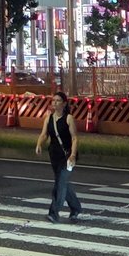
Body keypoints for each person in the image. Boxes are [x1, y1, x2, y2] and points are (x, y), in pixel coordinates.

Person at [35, 91, 82, 223]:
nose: (55, 103)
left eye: (58, 100)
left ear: (64, 103)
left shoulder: (68, 118)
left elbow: (74, 138)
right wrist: (39, 144)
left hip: (67, 156)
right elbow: (44, 134)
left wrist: (72, 155)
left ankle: (54, 213)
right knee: (63, 183)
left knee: (60, 184)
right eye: (53, 100)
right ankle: (76, 208)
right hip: (54, 155)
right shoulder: (48, 118)